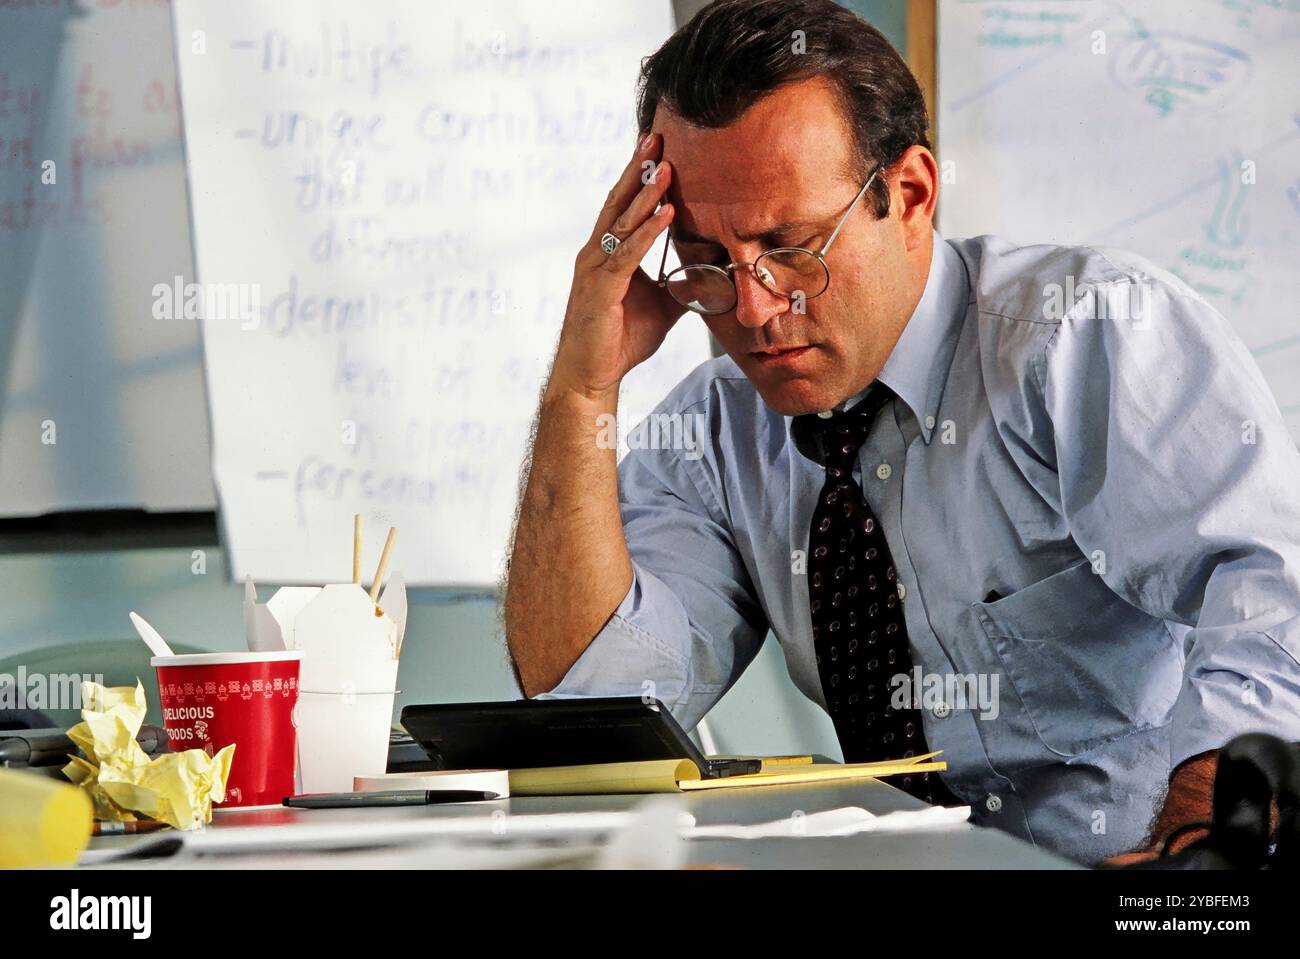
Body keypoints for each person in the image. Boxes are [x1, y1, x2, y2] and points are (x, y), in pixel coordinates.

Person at [502, 0, 1300, 866]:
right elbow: (586, 722)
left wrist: (1196, 852)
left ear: (911, 194)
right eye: (705, 263)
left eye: (793, 244)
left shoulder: (1084, 337)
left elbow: (1274, 602)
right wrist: (581, 394)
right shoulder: (715, 437)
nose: (757, 310)